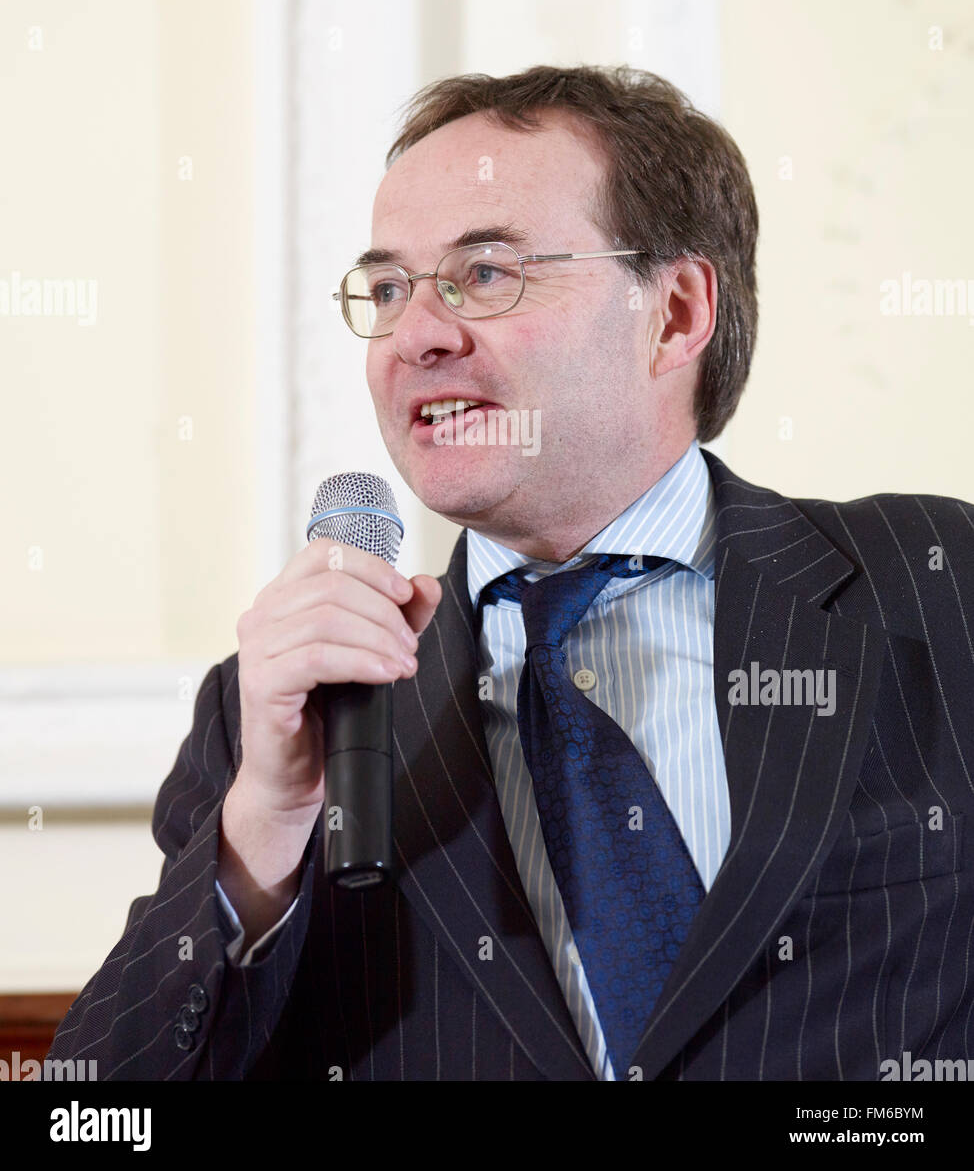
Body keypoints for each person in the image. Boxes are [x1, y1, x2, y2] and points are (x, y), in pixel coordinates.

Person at [50, 65, 974, 1081]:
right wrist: (262, 826)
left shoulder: (934, 588)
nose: (417, 335)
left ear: (673, 311)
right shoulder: (281, 713)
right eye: (389, 288)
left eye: (484, 274)